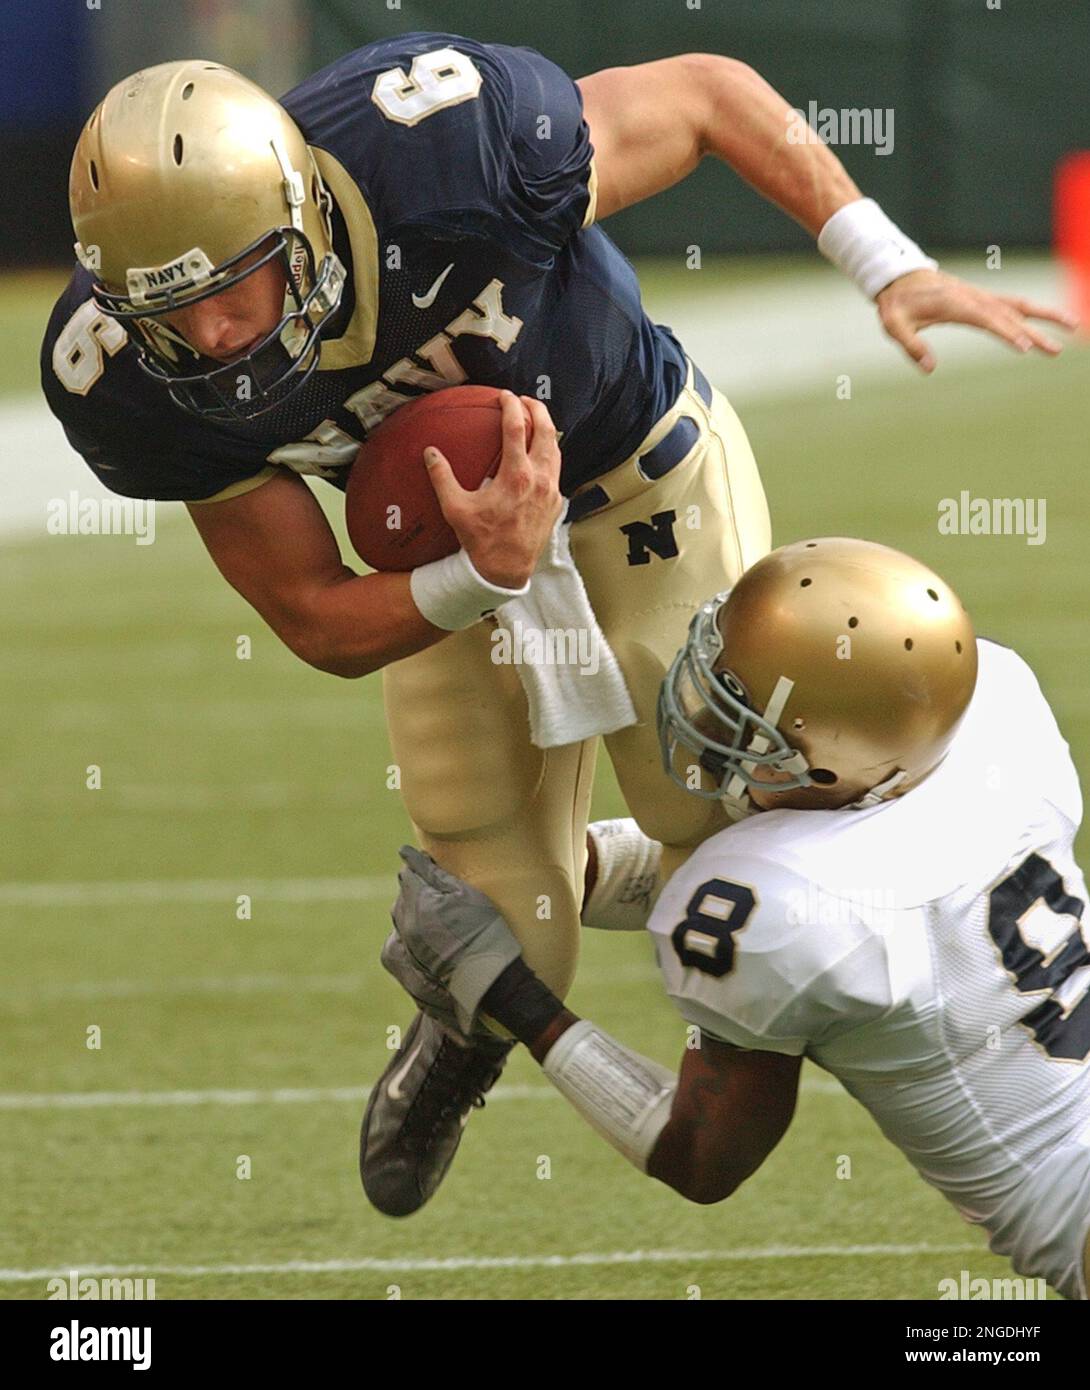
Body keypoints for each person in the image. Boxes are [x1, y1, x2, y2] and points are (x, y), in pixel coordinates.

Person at [40, 34, 1074, 1219]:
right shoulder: (121, 380)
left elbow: (705, 94)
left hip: (640, 472)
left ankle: (691, 938)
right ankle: (464, 1028)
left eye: (235, 287)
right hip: (446, 551)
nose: (217, 336)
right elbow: (316, 616)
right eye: (172, 312)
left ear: (301, 215)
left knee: (731, 823)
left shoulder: (447, 152)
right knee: (501, 910)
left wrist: (882, 261)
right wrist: (476, 576)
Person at [383, 538, 1090, 1299]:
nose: (709, 714)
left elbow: (699, 1157)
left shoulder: (789, 910)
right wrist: (553, 882)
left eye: (744, 714)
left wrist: (509, 993)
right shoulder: (987, 718)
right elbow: (849, 868)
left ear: (828, 764)